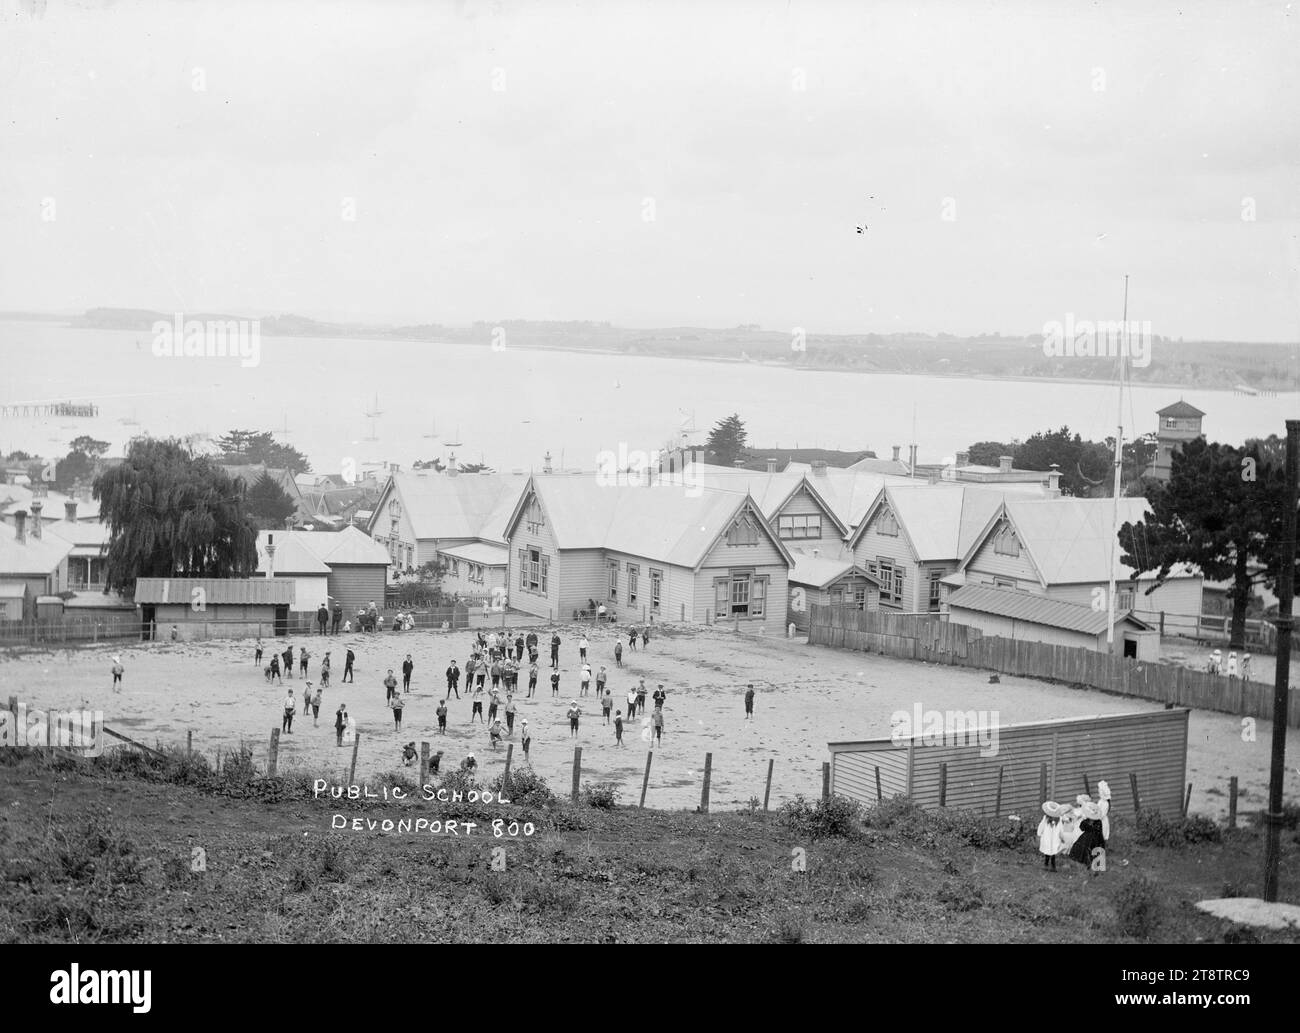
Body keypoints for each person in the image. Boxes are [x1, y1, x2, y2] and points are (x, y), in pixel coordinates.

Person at [1038, 802, 1063, 871]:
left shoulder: (1058, 820)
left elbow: (1061, 828)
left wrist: (1061, 836)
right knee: (1047, 851)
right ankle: (1046, 864)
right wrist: (1039, 833)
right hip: (1047, 837)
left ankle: (1053, 866)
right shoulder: (1045, 819)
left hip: (1055, 838)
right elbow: (1042, 826)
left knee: (1053, 852)